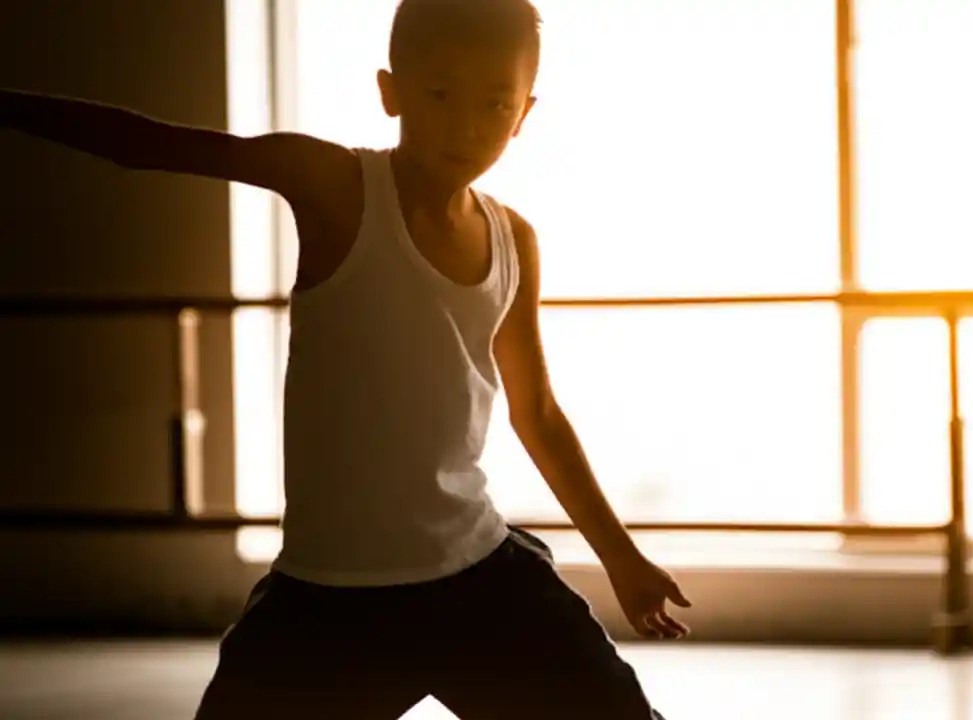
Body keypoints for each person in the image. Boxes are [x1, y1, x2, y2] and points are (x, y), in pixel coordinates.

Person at [1, 0, 691, 717]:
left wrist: (623, 558)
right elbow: (146, 144)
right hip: (327, 604)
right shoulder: (335, 186)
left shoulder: (515, 239)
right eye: (440, 93)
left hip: (478, 581)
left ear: (524, 112)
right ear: (390, 90)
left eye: (495, 101)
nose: (467, 123)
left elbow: (539, 414)